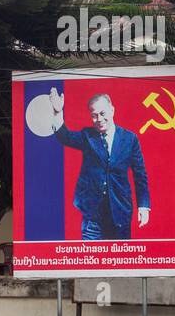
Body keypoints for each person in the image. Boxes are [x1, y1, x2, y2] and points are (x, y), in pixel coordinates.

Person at [48, 87, 150, 240]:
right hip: (92, 215)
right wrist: (57, 112)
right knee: (92, 260)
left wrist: (143, 206)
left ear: (112, 111)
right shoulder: (87, 136)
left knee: (120, 261)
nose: (99, 119)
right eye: (94, 116)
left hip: (120, 212)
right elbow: (65, 137)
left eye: (102, 114)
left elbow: (140, 175)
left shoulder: (130, 139)